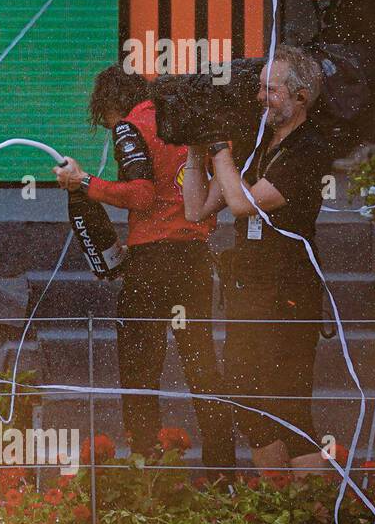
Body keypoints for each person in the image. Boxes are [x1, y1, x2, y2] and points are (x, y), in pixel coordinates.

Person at [54, 65, 232, 470]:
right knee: (203, 369)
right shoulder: (181, 118)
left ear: (111, 105)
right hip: (195, 258)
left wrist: (83, 183)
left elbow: (141, 195)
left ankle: (147, 473)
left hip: (153, 261)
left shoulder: (130, 125)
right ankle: (223, 475)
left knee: (139, 371)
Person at [181, 46, 334, 474]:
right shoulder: (257, 144)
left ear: (300, 96)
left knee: (289, 408)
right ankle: (272, 521)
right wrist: (197, 151)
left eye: (271, 89)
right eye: (259, 88)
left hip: (288, 290)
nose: (260, 97)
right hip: (248, 287)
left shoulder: (310, 148)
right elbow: (197, 210)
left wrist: (219, 148)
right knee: (247, 404)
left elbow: (245, 205)